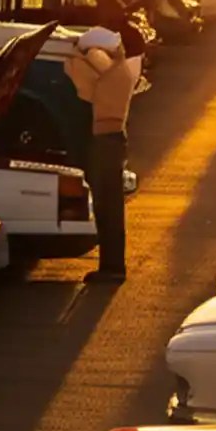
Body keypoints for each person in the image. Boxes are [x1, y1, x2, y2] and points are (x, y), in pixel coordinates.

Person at [65, 26, 138, 284]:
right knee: (111, 207)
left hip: (105, 141)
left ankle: (112, 268)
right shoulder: (121, 69)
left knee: (107, 207)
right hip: (114, 139)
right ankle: (112, 265)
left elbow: (79, 83)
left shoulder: (107, 72)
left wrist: (75, 54)